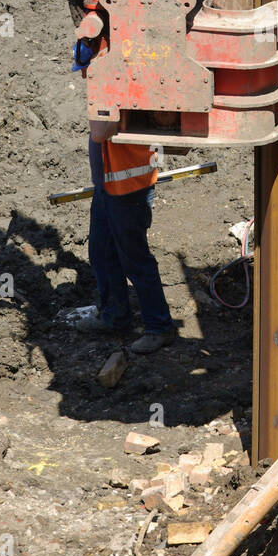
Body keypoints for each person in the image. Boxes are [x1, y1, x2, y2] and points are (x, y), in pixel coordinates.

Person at [70, 36, 176, 354]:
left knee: (135, 259)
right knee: (102, 251)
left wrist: (97, 91)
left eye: (85, 70)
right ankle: (114, 315)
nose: (82, 76)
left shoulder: (114, 80)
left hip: (128, 188)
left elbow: (100, 131)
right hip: (110, 185)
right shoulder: (111, 71)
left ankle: (159, 326)